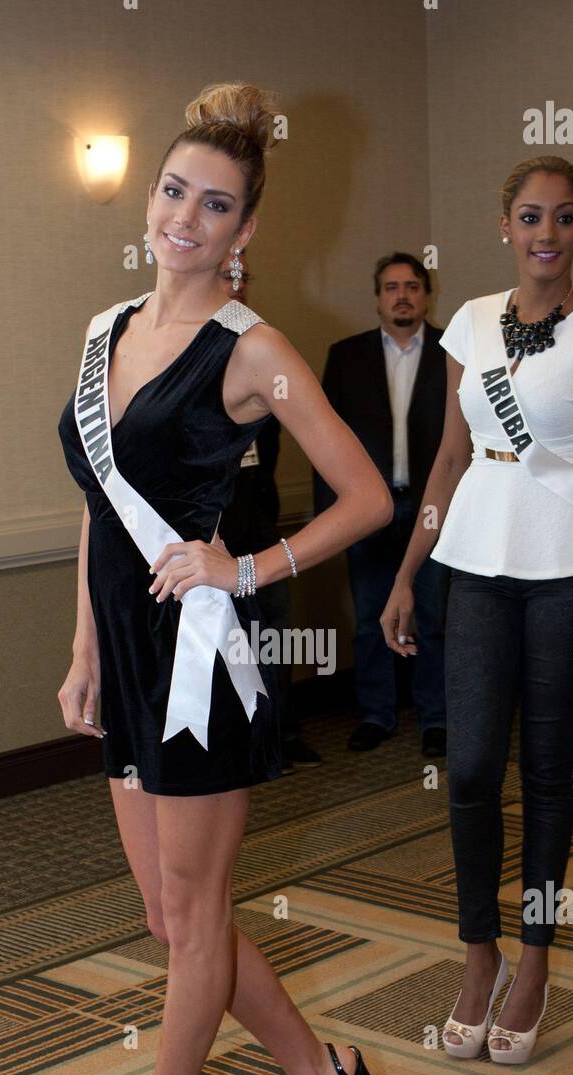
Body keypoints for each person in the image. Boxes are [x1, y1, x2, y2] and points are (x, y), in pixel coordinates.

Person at [56, 81, 403, 1075]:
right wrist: (82, 648)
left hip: (203, 656)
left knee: (197, 918)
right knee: (169, 917)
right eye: (172, 192)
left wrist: (244, 569)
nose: (184, 221)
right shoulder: (105, 330)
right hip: (128, 654)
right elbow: (102, 514)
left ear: (245, 229)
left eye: (215, 206)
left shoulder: (252, 352)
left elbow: (365, 496)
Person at [381, 156, 573, 1065]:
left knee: (545, 771)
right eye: (532, 217)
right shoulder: (465, 322)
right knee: (467, 769)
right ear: (505, 225)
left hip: (571, 565)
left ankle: (534, 960)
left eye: (565, 217)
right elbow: (450, 462)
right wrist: (406, 571)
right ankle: (479, 952)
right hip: (475, 555)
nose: (547, 234)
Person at [313, 254, 450, 758]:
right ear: (377, 297)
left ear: (426, 296)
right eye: (391, 287)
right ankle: (376, 715)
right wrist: (330, 517)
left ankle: (436, 718)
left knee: (433, 617)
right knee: (372, 617)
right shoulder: (346, 357)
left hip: (433, 509)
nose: (402, 295)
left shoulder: (451, 352)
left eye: (412, 286)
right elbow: (324, 445)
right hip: (367, 511)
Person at [217, 251, 322, 773]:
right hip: (210, 539)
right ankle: (242, 741)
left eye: (243, 280)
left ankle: (281, 734)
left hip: (262, 529)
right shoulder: (190, 357)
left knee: (274, 636)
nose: (236, 289)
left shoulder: (266, 350)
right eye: (226, 277)